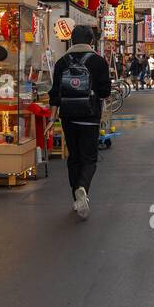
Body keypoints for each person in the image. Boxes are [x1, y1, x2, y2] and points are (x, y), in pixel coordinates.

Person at [48, 25, 112, 220]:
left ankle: (76, 198)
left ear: (71, 40)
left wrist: (52, 119)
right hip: (90, 117)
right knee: (89, 158)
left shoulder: (61, 62)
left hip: (68, 116)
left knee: (74, 157)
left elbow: (55, 94)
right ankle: (83, 187)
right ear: (91, 41)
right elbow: (105, 92)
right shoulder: (99, 62)